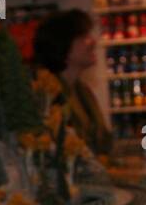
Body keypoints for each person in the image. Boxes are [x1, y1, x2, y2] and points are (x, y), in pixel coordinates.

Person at [31, 9, 115, 162]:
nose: (93, 41)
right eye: (84, 36)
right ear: (63, 45)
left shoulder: (82, 91)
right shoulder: (46, 94)